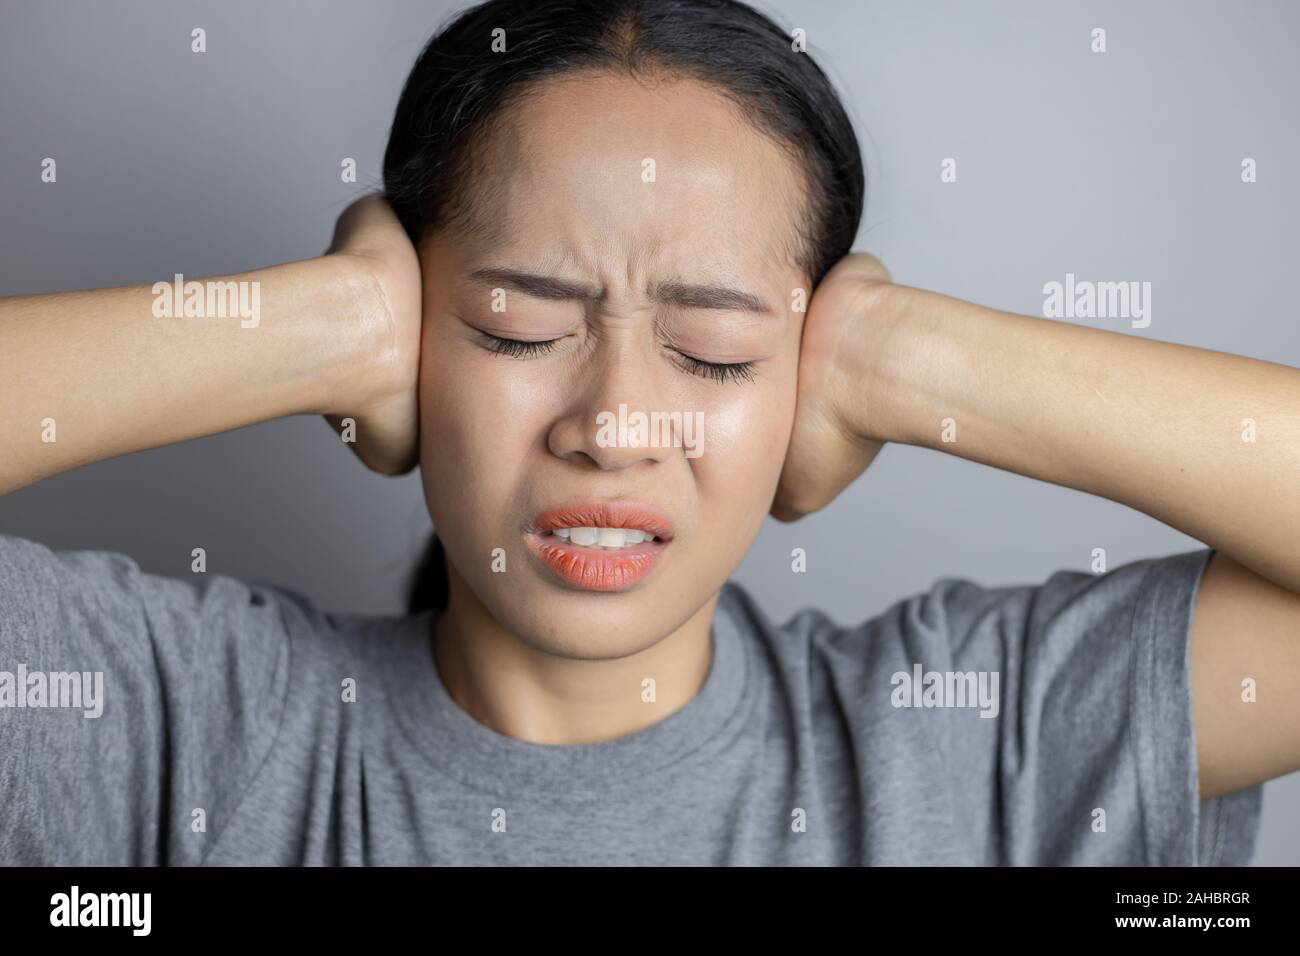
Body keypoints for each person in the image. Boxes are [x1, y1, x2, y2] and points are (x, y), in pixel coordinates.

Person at [1, 0, 1296, 866]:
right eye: (514, 326)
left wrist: (913, 358)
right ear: (410, 345)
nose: (615, 428)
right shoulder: (179, 721)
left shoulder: (966, 744)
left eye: (719, 349)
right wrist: (314, 329)